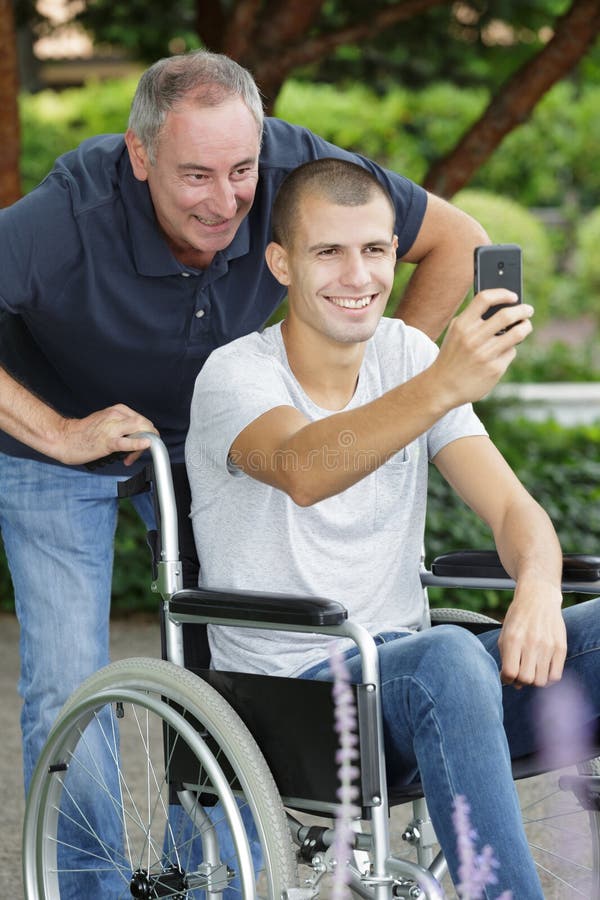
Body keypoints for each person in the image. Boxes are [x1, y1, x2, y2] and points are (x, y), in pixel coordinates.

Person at [0, 49, 488, 892]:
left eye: (241, 170)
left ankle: (220, 875)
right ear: (140, 155)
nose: (227, 201)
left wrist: (367, 392)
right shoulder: (62, 219)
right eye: (196, 174)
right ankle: (86, 886)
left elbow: (458, 240)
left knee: (228, 651)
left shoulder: (290, 169)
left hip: (212, 430)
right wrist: (58, 430)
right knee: (70, 677)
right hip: (58, 435)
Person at [185, 157, 600, 898]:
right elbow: (304, 468)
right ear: (281, 263)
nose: (359, 274)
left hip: (419, 684)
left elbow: (514, 511)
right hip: (295, 699)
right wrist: (441, 384)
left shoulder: (406, 354)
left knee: (483, 650)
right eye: (328, 252)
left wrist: (537, 587)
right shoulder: (234, 375)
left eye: (375, 250)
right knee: (449, 656)